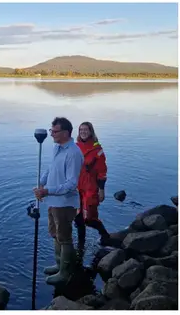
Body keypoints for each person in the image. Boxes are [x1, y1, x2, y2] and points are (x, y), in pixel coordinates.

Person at [35, 117, 84, 287]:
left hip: (65, 203)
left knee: (65, 238)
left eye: (55, 132)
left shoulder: (74, 153)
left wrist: (48, 190)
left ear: (66, 133)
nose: (52, 135)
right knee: (55, 234)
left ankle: (65, 272)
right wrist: (42, 183)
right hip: (53, 201)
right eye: (51, 131)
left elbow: (72, 184)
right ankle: (58, 265)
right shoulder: (57, 147)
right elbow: (51, 167)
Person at [74, 122, 111, 247]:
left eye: (86, 129)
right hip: (77, 187)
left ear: (91, 131)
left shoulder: (97, 150)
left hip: (91, 188)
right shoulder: (75, 147)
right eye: (81, 130)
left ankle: (105, 235)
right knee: (78, 218)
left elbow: (102, 172)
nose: (83, 132)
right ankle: (81, 244)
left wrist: (101, 190)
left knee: (89, 218)